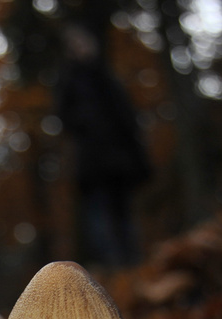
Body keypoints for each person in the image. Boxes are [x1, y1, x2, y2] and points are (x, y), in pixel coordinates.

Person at [56, 23, 152, 268]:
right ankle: (111, 267)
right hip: (92, 161)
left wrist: (136, 155)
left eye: (85, 43)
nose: (83, 49)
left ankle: (133, 266)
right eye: (76, 45)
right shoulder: (69, 82)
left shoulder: (108, 78)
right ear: (69, 51)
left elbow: (127, 118)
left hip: (119, 159)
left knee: (124, 213)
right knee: (99, 215)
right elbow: (63, 118)